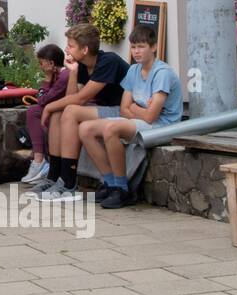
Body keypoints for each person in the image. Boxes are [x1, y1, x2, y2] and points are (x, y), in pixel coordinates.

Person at [78, 25, 182, 208]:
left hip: (164, 125)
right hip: (139, 121)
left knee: (111, 128)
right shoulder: (133, 71)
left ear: (153, 47)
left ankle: (123, 189)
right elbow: (123, 108)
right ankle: (110, 183)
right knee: (85, 128)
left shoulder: (162, 73)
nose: (136, 51)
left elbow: (150, 117)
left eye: (141, 46)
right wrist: (136, 108)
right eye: (133, 47)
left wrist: (134, 107)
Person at [33, 23, 130, 203]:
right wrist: (74, 72)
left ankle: (69, 182)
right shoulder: (83, 66)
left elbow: (79, 99)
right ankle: (55, 177)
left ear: (84, 49)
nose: (66, 49)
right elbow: (72, 96)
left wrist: (48, 106)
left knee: (68, 111)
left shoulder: (108, 61)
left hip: (124, 111)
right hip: (106, 110)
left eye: (70, 46)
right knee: (59, 114)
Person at [19, 44, 70, 184]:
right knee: (34, 110)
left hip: (65, 111)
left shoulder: (64, 76)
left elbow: (42, 99)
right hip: (59, 109)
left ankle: (39, 160)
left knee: (34, 111)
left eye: (42, 63)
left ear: (51, 63)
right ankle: (39, 159)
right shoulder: (58, 75)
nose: (41, 67)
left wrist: (47, 79)